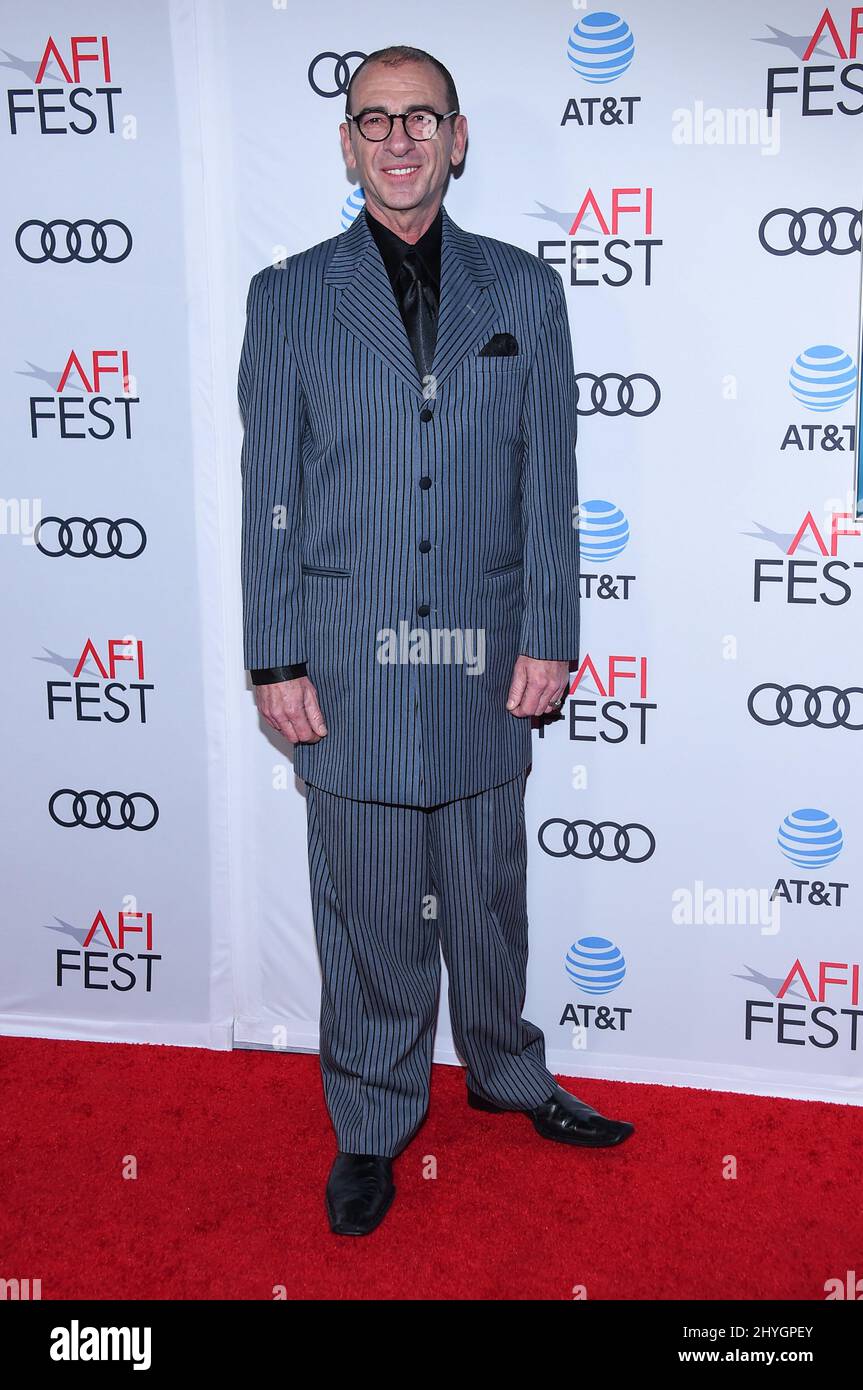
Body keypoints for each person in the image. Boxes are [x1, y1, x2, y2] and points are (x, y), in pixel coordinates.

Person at [238, 44, 634, 1237]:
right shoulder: (289, 294)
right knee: (366, 909)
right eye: (375, 119)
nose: (399, 139)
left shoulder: (522, 290)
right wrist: (273, 654)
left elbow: (548, 480)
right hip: (347, 662)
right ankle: (370, 1123)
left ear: (457, 139)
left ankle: (509, 1073)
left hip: (480, 653)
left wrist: (550, 632)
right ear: (346, 142)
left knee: (485, 894)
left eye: (422, 118)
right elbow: (272, 493)